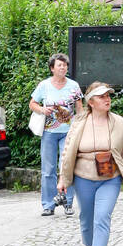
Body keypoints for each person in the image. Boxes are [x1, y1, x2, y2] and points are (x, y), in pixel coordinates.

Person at [58, 83, 123, 246]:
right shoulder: (79, 122)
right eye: (102, 96)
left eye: (108, 96)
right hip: (83, 176)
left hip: (110, 177)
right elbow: (67, 150)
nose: (107, 99)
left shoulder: (118, 121)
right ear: (91, 102)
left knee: (102, 217)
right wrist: (63, 178)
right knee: (87, 220)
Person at [30, 53, 83, 217]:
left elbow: (80, 109)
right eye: (59, 65)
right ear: (52, 68)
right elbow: (32, 103)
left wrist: (80, 127)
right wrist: (42, 109)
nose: (63, 67)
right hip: (49, 132)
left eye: (65, 65)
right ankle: (48, 204)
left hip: (68, 133)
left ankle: (68, 203)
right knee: (48, 170)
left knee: (67, 167)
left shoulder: (74, 86)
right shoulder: (44, 85)